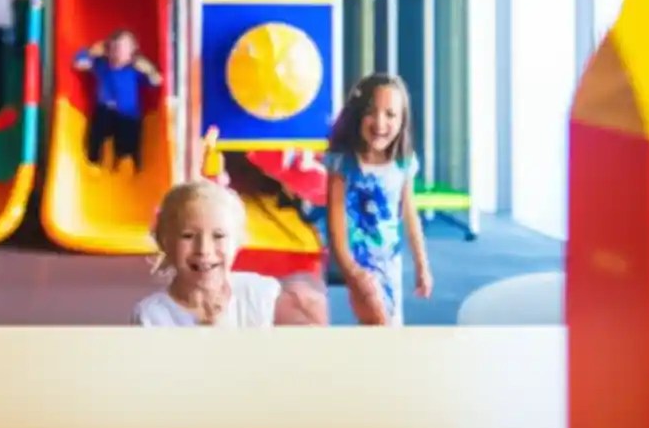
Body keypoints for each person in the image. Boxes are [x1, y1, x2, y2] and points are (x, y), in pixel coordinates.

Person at [132, 181, 329, 327]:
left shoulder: (262, 295)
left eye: (218, 236)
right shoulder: (152, 316)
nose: (204, 250)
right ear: (166, 241)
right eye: (188, 236)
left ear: (237, 242)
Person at [324, 73, 432, 326]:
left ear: (402, 120)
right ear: (358, 115)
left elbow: (410, 216)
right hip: (357, 262)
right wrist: (350, 270)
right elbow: (335, 223)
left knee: (389, 325)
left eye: (391, 114)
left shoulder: (402, 164)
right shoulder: (343, 163)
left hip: (390, 262)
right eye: (371, 112)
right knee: (378, 321)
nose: (380, 123)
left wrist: (422, 265)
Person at [73, 29, 162, 172]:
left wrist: (149, 70)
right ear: (108, 50)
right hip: (105, 111)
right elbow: (79, 63)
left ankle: (126, 159)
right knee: (97, 128)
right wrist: (91, 51)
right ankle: (94, 160)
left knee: (129, 134)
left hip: (128, 114)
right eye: (115, 48)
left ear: (132, 52)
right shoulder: (102, 64)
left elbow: (157, 81)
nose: (118, 53)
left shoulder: (135, 69)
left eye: (123, 49)